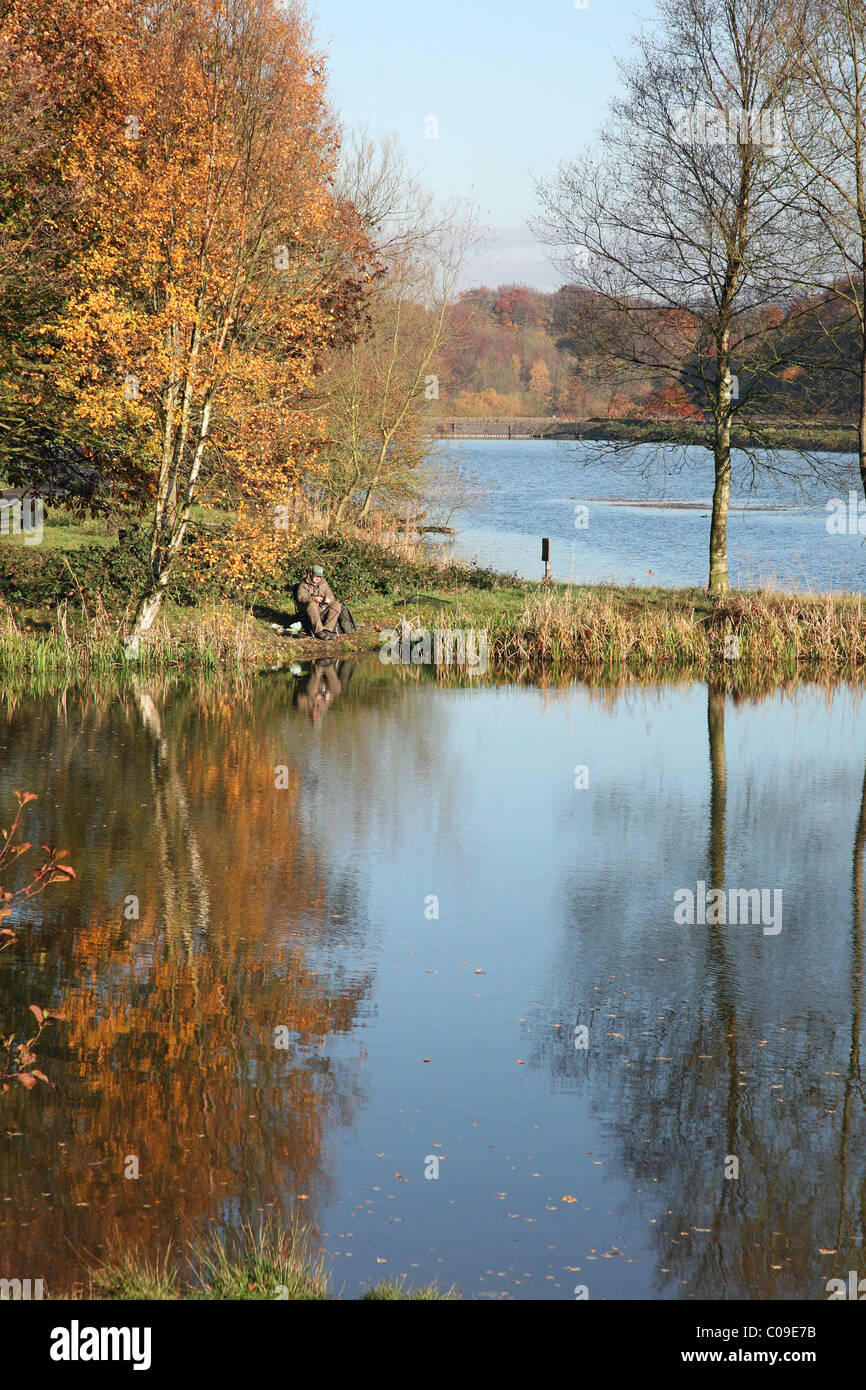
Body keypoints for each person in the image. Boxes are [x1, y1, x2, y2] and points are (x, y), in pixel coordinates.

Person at [296, 565, 343, 639]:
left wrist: (328, 600)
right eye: (316, 576)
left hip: (322, 608)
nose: (318, 578)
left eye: (320, 576)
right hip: (308, 609)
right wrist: (314, 598)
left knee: (337, 604)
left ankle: (327, 630)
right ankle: (319, 631)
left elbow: (331, 596)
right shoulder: (303, 585)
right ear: (311, 574)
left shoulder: (324, 583)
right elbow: (301, 597)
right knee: (312, 604)